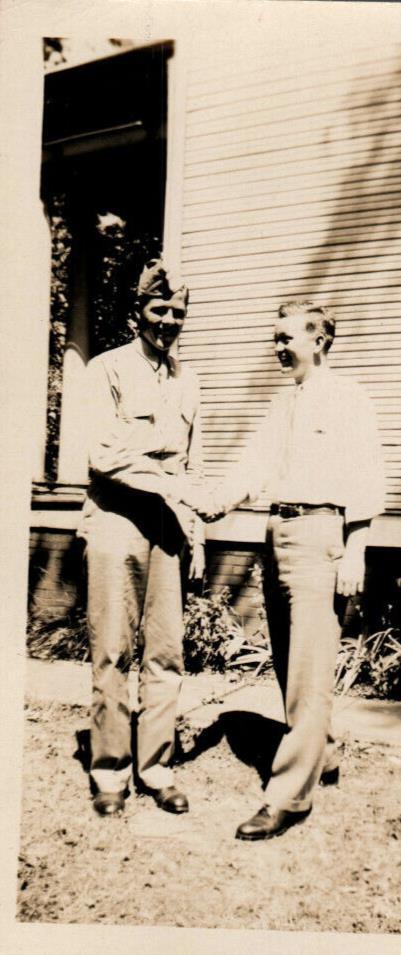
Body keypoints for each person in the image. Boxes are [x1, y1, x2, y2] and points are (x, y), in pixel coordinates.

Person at [196, 300, 386, 840]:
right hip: (275, 534)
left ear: (319, 340)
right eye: (275, 338)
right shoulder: (282, 404)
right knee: (288, 661)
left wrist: (355, 550)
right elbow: (253, 465)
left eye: (286, 337)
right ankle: (325, 753)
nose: (277, 346)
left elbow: (367, 476)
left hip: (321, 534)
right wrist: (217, 501)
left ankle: (287, 797)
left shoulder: (349, 398)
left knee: (309, 666)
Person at [79, 259, 204, 817]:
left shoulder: (189, 379)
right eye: (159, 310)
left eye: (178, 314)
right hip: (116, 516)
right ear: (138, 312)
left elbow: (194, 462)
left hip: (169, 525)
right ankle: (110, 772)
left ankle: (156, 769)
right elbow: (104, 455)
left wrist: (197, 530)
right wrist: (169, 483)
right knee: (112, 650)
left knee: (166, 652)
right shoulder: (106, 369)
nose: (168, 322)